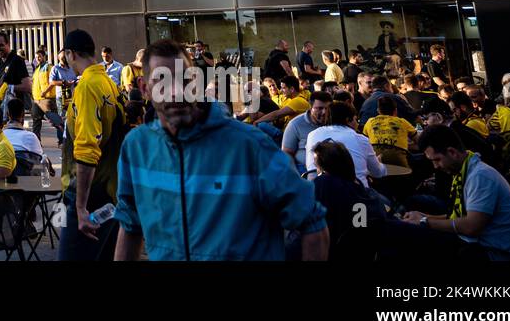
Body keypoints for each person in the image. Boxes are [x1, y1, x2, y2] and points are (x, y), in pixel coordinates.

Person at [114, 39, 328, 261]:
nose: (176, 91)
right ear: (143, 88)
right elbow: (130, 225)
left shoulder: (249, 147)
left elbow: (312, 222)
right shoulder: (136, 147)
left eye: (183, 80)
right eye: (162, 81)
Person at [394, 125, 510, 260]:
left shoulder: (480, 177)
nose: (435, 166)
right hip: (475, 243)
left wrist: (424, 221)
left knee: (411, 242)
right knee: (408, 234)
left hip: (489, 252)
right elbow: (458, 216)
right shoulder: (466, 169)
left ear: (452, 152)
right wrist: (424, 217)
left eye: (437, 160)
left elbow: (471, 227)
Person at [58, 28, 128, 261]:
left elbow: (88, 150)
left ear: (70, 54)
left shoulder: (88, 86)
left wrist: (80, 208)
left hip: (90, 194)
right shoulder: (108, 82)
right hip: (109, 191)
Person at [304, 101, 385, 185]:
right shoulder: (359, 139)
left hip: (316, 192)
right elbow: (378, 173)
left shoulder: (312, 135)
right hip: (355, 194)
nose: (357, 123)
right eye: (355, 119)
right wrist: (380, 162)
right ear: (347, 120)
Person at [280, 89, 334, 173]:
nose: (324, 112)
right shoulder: (295, 124)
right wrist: (294, 173)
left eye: (327, 108)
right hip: (304, 169)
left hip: (331, 168)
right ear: (310, 107)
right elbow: (287, 152)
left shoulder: (335, 121)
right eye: (319, 108)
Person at [363, 94, 418, 165]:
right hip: (399, 165)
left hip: (376, 164)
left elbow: (364, 143)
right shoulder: (402, 122)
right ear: (395, 110)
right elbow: (419, 141)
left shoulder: (370, 122)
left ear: (378, 111)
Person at [29, 48, 64, 143]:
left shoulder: (49, 67)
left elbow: (53, 82)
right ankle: (36, 142)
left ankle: (63, 140)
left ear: (44, 56)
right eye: (36, 57)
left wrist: (45, 92)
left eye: (39, 56)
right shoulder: (36, 69)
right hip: (37, 100)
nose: (38, 59)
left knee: (56, 122)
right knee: (36, 122)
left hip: (47, 99)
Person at [2, 98, 45, 172]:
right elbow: (39, 158)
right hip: (25, 177)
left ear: (7, 114)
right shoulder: (31, 137)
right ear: (23, 115)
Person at [0, 32, 30, 107]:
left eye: (1, 45)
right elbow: (0, 82)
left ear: (8, 44)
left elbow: (28, 86)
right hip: (0, 106)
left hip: (14, 109)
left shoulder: (17, 60)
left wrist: (6, 87)